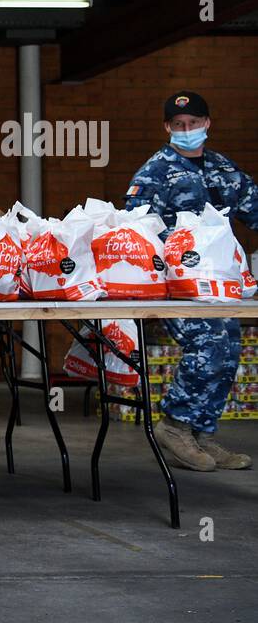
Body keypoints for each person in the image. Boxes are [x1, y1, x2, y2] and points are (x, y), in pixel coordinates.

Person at [126, 91, 255, 472]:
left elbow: (254, 206)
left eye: (194, 124)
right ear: (167, 128)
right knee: (208, 342)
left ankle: (202, 434)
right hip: (174, 285)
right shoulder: (154, 172)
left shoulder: (223, 168)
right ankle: (175, 426)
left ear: (207, 124)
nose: (187, 131)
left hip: (217, 284)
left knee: (230, 346)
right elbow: (134, 231)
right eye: (179, 125)